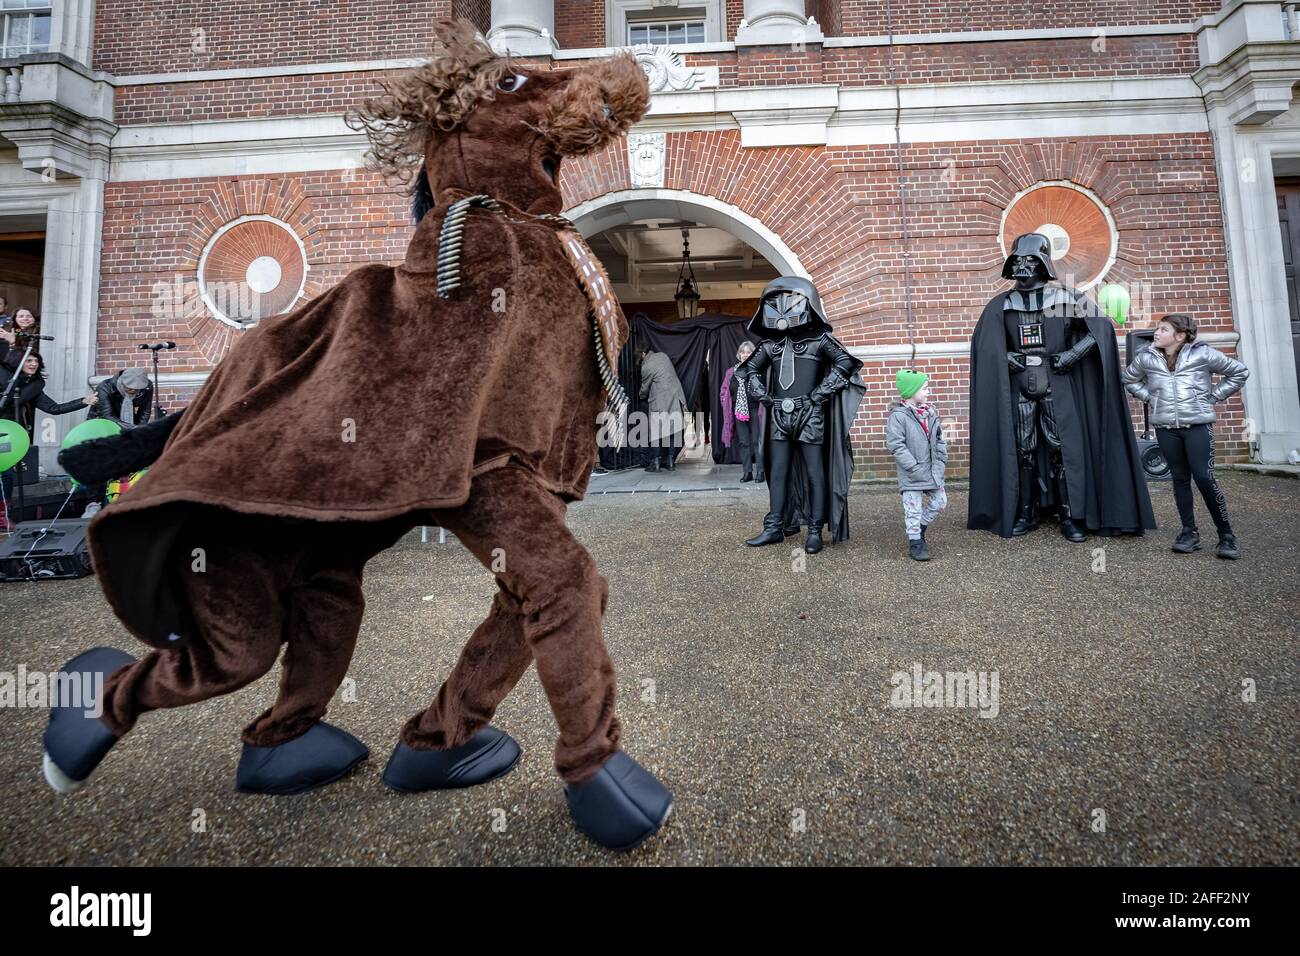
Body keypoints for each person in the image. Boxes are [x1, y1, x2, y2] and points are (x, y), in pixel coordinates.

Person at [44, 21, 671, 853]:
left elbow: (551, 362)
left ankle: (407, 741)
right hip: (444, 454)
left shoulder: (544, 236)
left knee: (380, 592)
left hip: (484, 458)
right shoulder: (469, 230)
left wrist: (551, 467)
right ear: (464, 122)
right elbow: (427, 330)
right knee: (252, 644)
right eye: (519, 91)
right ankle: (109, 698)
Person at [968, 232, 1156, 540]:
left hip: (1057, 384)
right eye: (1018, 261)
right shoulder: (1000, 305)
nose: (1023, 267)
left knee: (1062, 448)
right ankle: (1026, 512)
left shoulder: (1066, 298)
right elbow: (985, 346)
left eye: (1030, 261)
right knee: (1023, 449)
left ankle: (1070, 515)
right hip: (1019, 387)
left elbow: (1100, 330)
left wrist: (1073, 353)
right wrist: (1007, 355)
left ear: (1043, 264)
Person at [736, 276, 866, 554]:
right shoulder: (771, 345)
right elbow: (748, 370)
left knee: (814, 473)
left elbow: (846, 363)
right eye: (775, 303)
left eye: (789, 302)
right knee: (778, 471)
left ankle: (815, 531)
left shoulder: (820, 341)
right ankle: (774, 527)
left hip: (810, 415)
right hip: (779, 415)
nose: (782, 309)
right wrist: (762, 393)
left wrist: (819, 394)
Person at [1122, 314, 1249, 559]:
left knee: (1204, 479)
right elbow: (1129, 378)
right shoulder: (1147, 357)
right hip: (1166, 428)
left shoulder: (1202, 354)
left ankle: (1227, 536)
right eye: (1158, 329)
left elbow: (1239, 372)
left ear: (1179, 336)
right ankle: (1189, 533)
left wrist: (1212, 397)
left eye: (1163, 329)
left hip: (1197, 427)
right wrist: (1151, 397)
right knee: (1180, 479)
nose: (1156, 333)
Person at [0, 353, 95, 530]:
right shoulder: (4, 375)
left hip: (7, 433)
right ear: (17, 362)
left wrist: (83, 401)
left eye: (36, 361)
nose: (34, 363)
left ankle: (3, 515)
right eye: (29, 360)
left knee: (5, 474)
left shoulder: (34, 385)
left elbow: (53, 408)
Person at [885, 369, 948, 561]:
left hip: (932, 470)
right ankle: (916, 543)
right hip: (912, 473)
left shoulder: (930, 413)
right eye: (924, 388)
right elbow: (896, 444)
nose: (928, 392)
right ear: (911, 391)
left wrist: (942, 458)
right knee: (913, 509)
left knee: (940, 502)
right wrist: (912, 466)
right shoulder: (899, 416)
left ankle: (920, 528)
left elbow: (939, 439)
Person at [720, 340, 765, 482]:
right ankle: (747, 472)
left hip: (755, 410)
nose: (745, 355)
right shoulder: (730, 372)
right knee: (744, 442)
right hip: (738, 412)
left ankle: (761, 472)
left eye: (748, 352)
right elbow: (724, 391)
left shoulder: (757, 370)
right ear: (739, 354)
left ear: (753, 354)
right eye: (743, 352)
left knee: (758, 441)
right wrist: (725, 403)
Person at [637, 345, 687, 472]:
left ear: (643, 354)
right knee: (672, 429)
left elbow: (645, 388)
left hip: (660, 400)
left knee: (656, 433)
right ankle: (671, 462)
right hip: (676, 396)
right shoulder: (663, 356)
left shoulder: (646, 366)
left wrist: (640, 395)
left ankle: (656, 463)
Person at [89, 368, 154, 428]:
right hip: (100, 423)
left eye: (137, 389)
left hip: (128, 423)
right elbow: (106, 415)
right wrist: (131, 428)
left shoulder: (147, 387)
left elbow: (144, 412)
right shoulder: (104, 388)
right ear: (122, 382)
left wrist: (138, 430)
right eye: (129, 388)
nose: (133, 390)